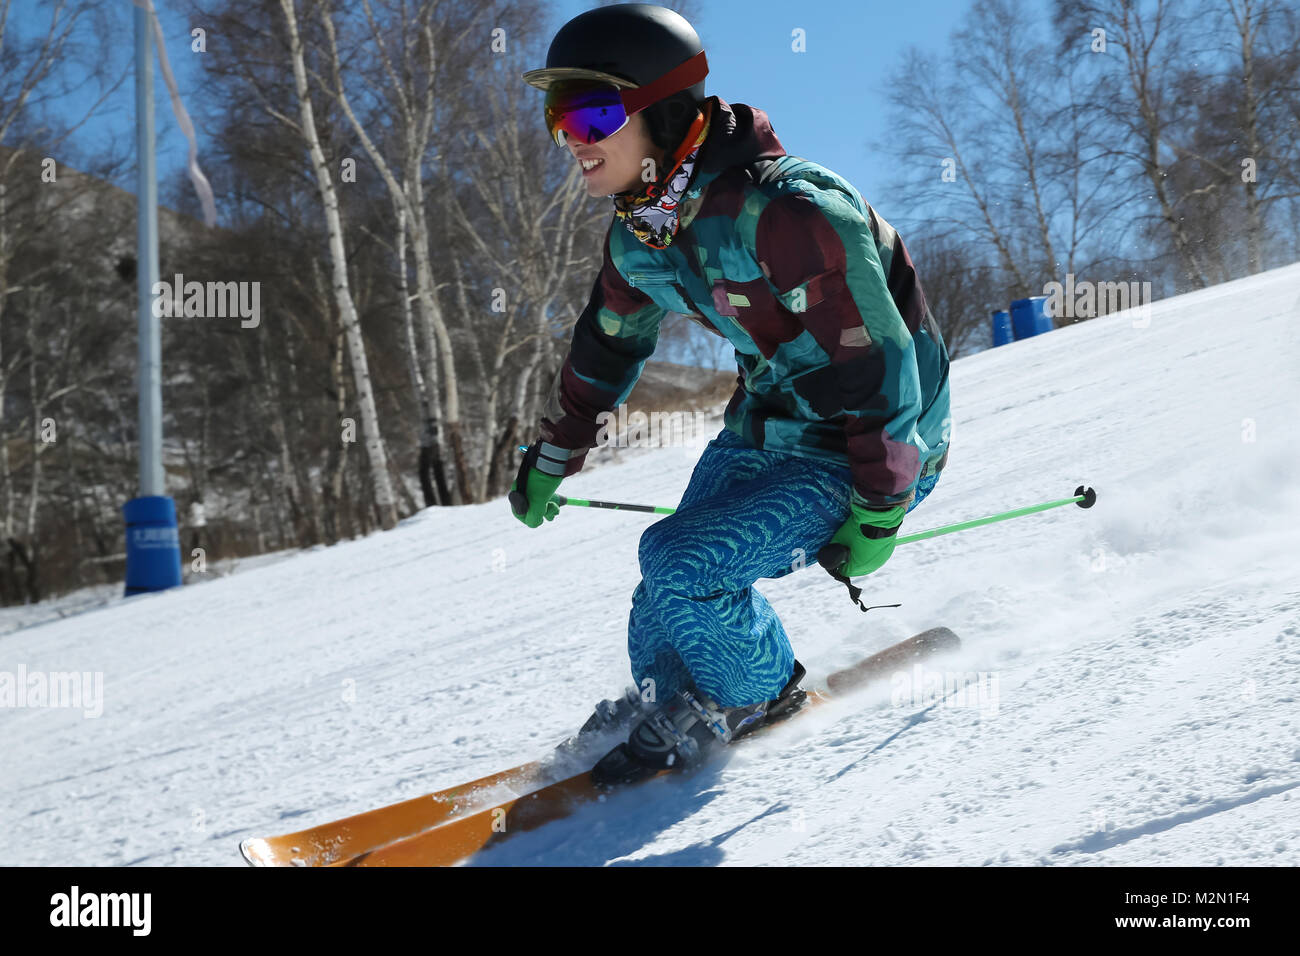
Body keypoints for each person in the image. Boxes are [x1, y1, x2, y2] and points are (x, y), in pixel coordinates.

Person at [511, 3, 951, 784]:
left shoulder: (788, 209)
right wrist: (556, 450)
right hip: (768, 427)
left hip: (872, 444)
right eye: (560, 120)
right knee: (665, 583)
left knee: (681, 559)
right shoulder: (643, 230)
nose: (572, 141)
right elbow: (610, 340)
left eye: (593, 115)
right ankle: (670, 696)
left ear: (665, 106)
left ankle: (756, 695)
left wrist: (881, 505)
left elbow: (879, 364)